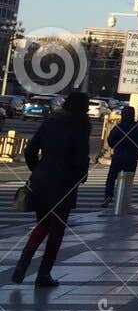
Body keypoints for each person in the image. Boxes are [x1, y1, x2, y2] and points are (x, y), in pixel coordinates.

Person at [11, 91, 92, 288]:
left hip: (41, 180)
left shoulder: (49, 123)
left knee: (44, 222)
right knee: (56, 230)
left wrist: (37, 169)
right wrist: (81, 175)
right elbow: (81, 158)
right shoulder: (80, 127)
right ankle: (43, 273)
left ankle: (23, 264)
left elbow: (30, 150)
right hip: (64, 184)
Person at [102, 105, 138, 206]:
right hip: (132, 155)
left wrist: (116, 146)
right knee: (128, 177)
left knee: (112, 177)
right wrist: (137, 146)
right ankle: (124, 198)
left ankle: (108, 196)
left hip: (119, 154)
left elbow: (110, 140)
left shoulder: (119, 127)